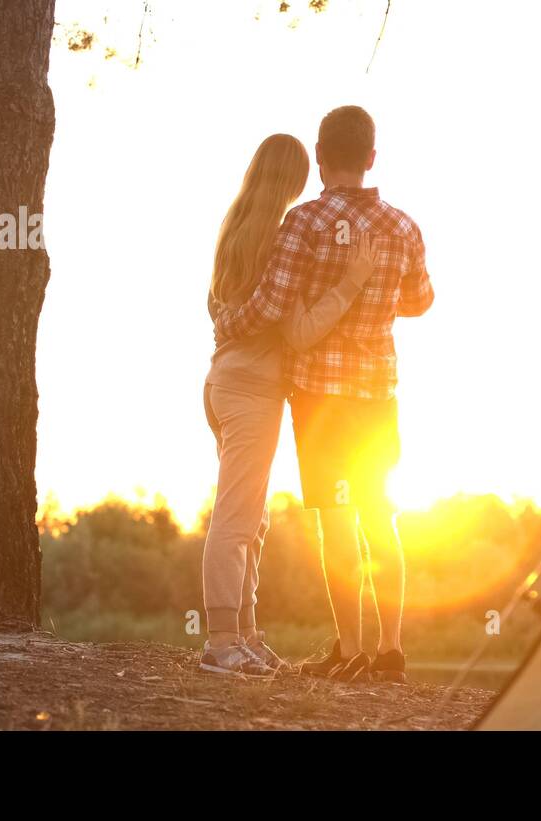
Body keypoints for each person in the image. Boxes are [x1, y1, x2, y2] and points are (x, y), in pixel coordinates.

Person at [214, 106, 434, 683]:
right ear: (371, 158)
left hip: (321, 400)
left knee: (336, 522)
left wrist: (227, 321)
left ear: (319, 156)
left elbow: (274, 303)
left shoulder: (304, 223)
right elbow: (420, 300)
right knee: (379, 518)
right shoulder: (403, 226)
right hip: (378, 394)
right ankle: (390, 651)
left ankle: (349, 650)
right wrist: (376, 299)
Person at [199, 132, 378, 679]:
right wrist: (348, 286)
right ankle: (221, 641)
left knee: (252, 520)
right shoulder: (281, 241)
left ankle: (246, 636)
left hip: (227, 383)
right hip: (250, 390)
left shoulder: (237, 229)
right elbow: (296, 330)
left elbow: (224, 310)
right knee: (236, 517)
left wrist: (230, 325)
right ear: (293, 180)